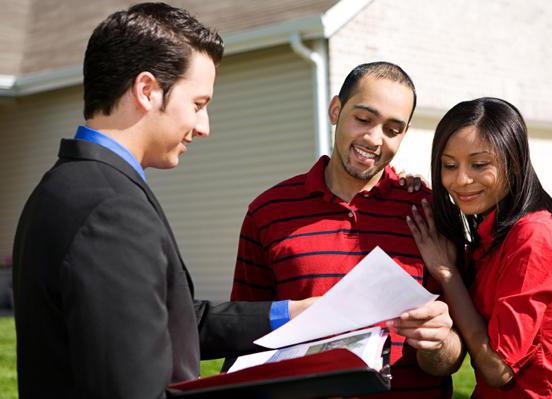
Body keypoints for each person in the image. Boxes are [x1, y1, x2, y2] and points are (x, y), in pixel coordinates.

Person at [11, 3, 313, 398]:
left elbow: (173, 321)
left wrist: (295, 314)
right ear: (147, 90)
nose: (204, 127)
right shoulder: (110, 211)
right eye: (198, 105)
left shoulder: (69, 185)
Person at [230, 62, 464, 398]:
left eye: (392, 130)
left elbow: (451, 358)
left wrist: (437, 343)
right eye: (364, 119)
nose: (373, 139)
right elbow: (244, 339)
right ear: (336, 109)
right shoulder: (268, 212)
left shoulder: (429, 212)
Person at [406, 97, 552, 398]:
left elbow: (497, 368)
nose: (461, 180)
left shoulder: (536, 236)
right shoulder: (490, 233)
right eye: (449, 165)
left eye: (479, 164)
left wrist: (447, 273)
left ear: (514, 161)